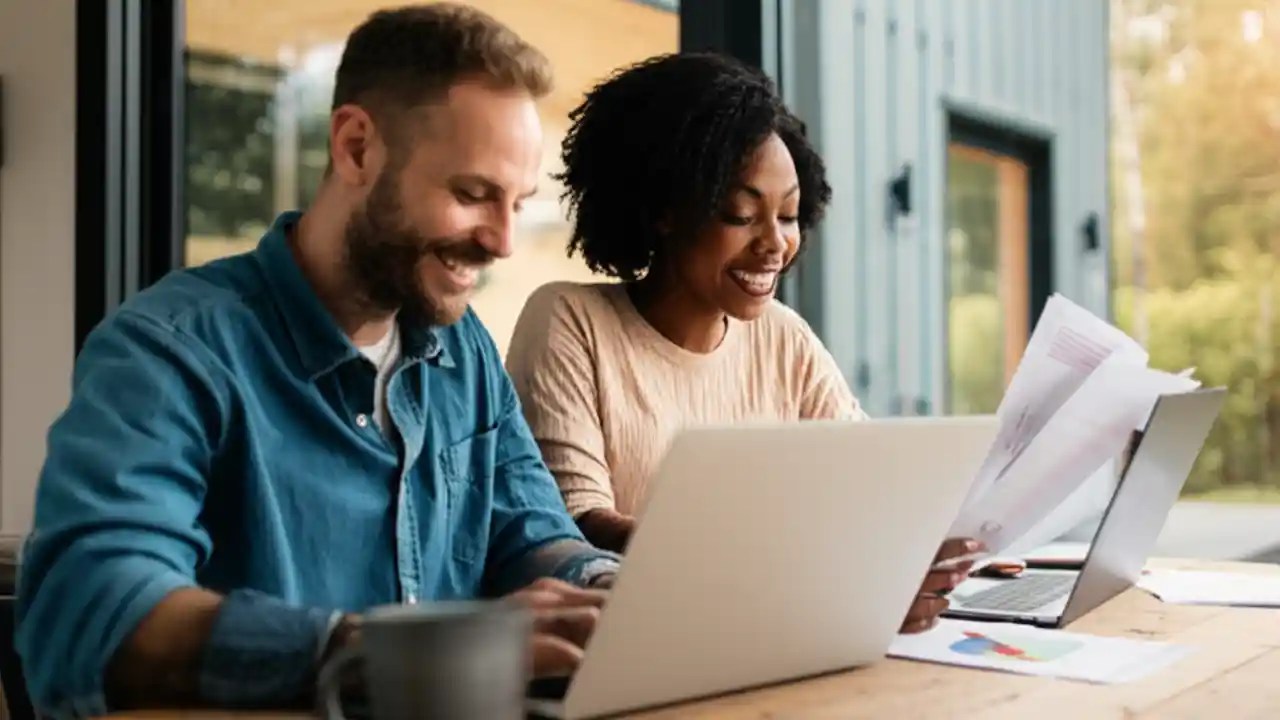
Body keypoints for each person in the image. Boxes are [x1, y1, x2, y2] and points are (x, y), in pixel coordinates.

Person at [16, 5, 621, 717]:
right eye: (471, 195)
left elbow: (530, 533)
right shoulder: (170, 350)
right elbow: (94, 609)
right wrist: (368, 649)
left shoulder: (463, 349)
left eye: (518, 203)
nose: (502, 242)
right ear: (357, 147)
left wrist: (609, 591)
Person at [504, 52, 980, 632]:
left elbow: (867, 492)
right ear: (664, 210)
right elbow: (574, 524)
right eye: (741, 213)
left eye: (789, 216)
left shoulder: (785, 338)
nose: (774, 244)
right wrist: (794, 572)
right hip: (649, 639)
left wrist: (908, 557)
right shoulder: (570, 320)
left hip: (776, 630)